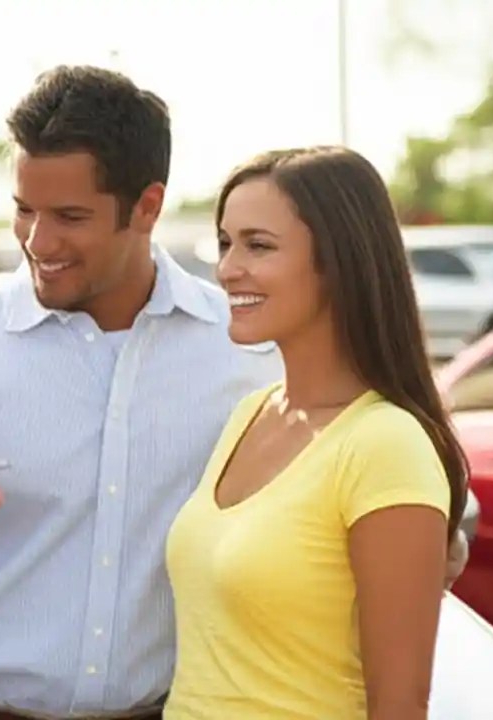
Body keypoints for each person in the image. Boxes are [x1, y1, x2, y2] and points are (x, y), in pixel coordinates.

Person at [0, 66, 469, 720]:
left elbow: (360, 501)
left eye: (70, 216)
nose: (38, 241)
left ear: (148, 206)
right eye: (24, 210)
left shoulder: (251, 358)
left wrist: (424, 545)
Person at [163, 146, 469, 720]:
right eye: (226, 242)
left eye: (258, 245)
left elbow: (400, 706)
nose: (227, 268)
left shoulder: (385, 444)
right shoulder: (249, 416)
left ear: (338, 261)